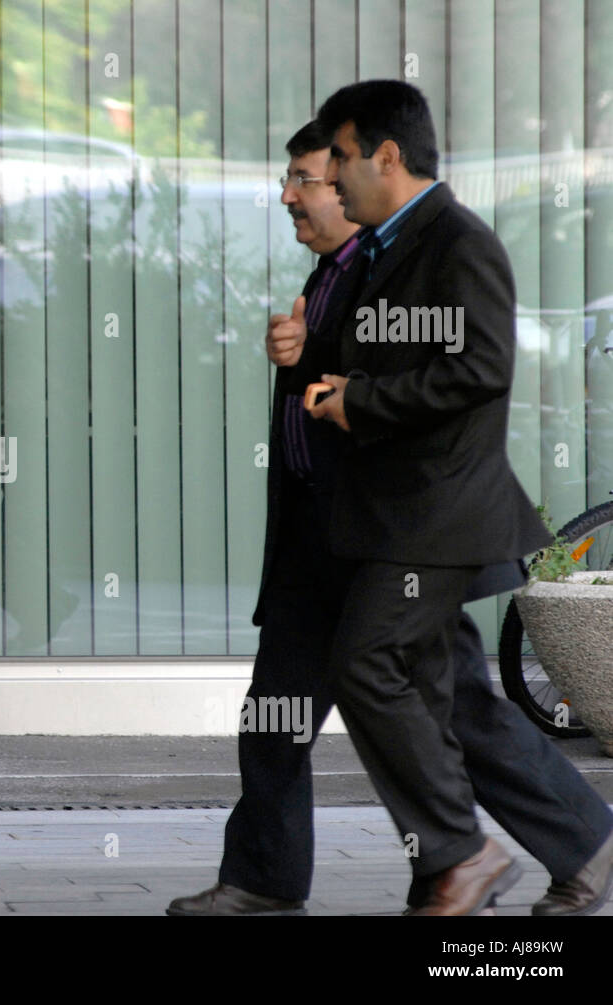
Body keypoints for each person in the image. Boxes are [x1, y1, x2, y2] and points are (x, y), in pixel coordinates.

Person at [167, 118, 613, 917]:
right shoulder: (333, 276)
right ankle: (267, 877)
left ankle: (551, 847)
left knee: (456, 710)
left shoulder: (404, 271)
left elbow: (434, 392)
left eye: (305, 178)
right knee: (276, 712)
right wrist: (301, 354)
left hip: (397, 544)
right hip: (322, 538)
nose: (289, 194)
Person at [304, 79, 610, 915]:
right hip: (401, 511)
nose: (330, 176)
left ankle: (458, 853)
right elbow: (402, 359)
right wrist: (325, 369)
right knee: (454, 697)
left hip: (435, 513)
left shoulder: (457, 242)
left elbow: (480, 370)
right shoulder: (386, 245)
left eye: (340, 156)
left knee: (365, 662)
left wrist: (359, 402)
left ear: (388, 157)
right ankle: (585, 839)